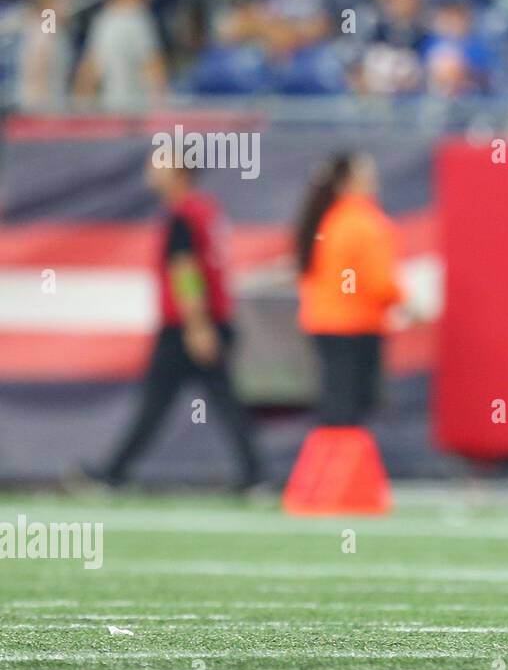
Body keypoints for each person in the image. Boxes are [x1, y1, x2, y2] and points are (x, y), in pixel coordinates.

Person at [84, 146, 262, 491]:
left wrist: (197, 325)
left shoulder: (183, 215)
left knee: (164, 403)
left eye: (159, 164)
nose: (151, 171)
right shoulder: (206, 211)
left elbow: (186, 271)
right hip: (210, 320)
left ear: (178, 172)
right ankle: (255, 475)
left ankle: (113, 475)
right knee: (214, 401)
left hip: (188, 325)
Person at [295, 152, 403, 427]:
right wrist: (404, 299)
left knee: (336, 400)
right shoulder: (364, 223)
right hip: (355, 325)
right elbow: (378, 282)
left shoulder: (328, 220)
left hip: (325, 322)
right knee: (349, 406)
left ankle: (333, 462)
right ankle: (339, 464)